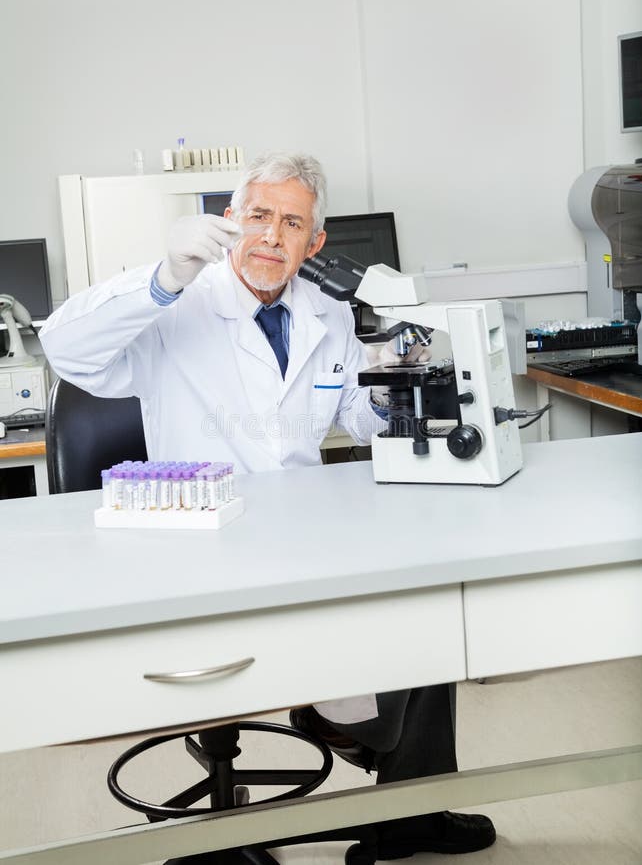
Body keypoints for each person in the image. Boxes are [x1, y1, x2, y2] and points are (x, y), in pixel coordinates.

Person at [40, 151, 495, 859]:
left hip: (305, 528)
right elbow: (65, 348)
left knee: (426, 591)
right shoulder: (175, 305)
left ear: (314, 244)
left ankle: (411, 804)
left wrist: (402, 380)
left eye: (292, 224)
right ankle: (332, 719)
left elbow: (363, 418)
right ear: (230, 221)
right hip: (201, 540)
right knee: (356, 649)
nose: (271, 237)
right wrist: (164, 278)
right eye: (257, 216)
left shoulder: (329, 314)